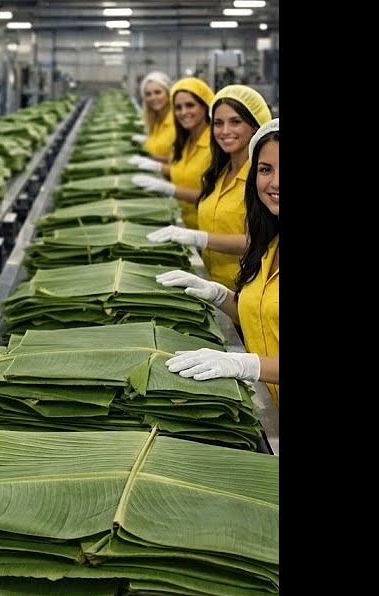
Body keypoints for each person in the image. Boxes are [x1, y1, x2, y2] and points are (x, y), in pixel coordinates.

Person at [155, 118, 278, 406]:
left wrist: (247, 364)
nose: (275, 182)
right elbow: (264, 317)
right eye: (265, 169)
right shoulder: (269, 244)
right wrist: (220, 296)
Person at [139, 85, 272, 291]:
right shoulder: (220, 171)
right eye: (218, 123)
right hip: (215, 280)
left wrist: (200, 238)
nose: (225, 131)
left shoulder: (262, 178)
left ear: (255, 126)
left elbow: (259, 240)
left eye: (235, 122)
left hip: (246, 291)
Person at [127, 77, 215, 230]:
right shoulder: (186, 141)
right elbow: (181, 170)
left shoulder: (215, 145)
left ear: (204, 106)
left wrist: (170, 189)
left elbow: (213, 198)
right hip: (187, 223)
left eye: (190, 105)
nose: (183, 112)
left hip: (206, 230)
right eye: (178, 107)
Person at [131, 71, 175, 162]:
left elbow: (180, 162)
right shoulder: (156, 122)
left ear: (168, 93)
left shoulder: (178, 122)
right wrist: (147, 142)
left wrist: (155, 164)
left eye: (158, 92)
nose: (153, 97)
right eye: (148, 94)